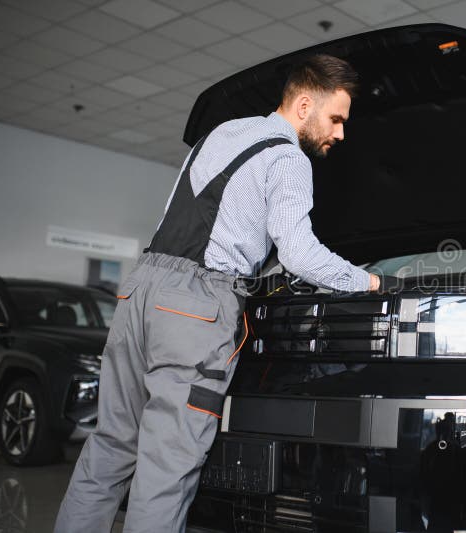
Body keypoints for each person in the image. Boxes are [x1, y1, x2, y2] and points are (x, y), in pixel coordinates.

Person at [54, 54, 380, 533]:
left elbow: (215, 221)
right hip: (195, 310)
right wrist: (369, 281)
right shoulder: (287, 157)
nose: (340, 133)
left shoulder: (221, 133)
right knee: (166, 467)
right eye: (337, 119)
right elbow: (300, 254)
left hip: (140, 291)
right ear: (305, 104)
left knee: (109, 446)